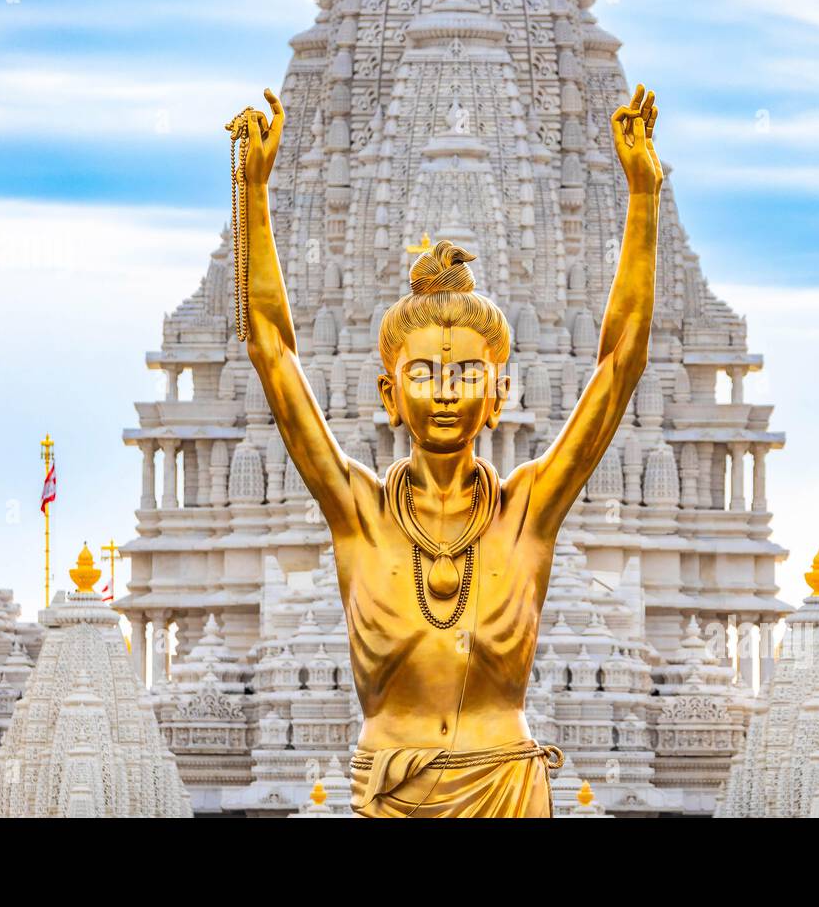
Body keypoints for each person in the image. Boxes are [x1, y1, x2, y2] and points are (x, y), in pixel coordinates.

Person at [232, 83, 662, 816]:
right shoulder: (360, 512)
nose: (445, 392)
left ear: (500, 394)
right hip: (393, 784)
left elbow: (621, 360)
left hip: (505, 784)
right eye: (423, 373)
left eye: (467, 374)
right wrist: (253, 194)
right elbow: (271, 350)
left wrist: (644, 194)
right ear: (387, 392)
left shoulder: (525, 510)